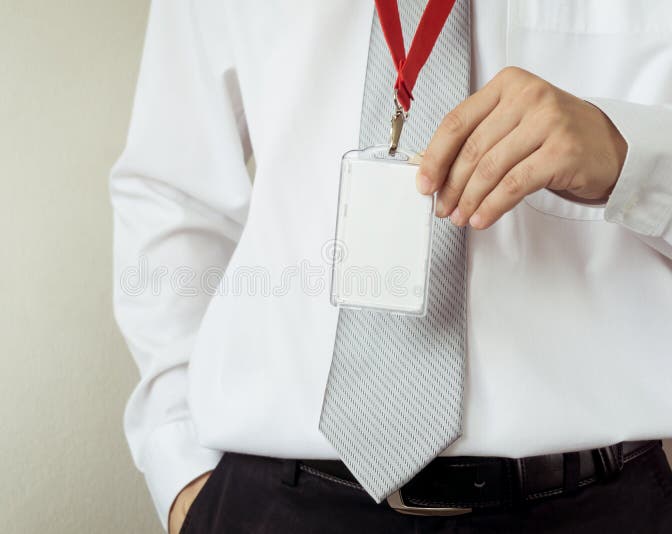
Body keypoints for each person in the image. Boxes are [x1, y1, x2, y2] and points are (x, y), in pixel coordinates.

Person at [110, 1, 672, 532]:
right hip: (271, 502)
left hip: (596, 504)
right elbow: (172, 191)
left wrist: (629, 156)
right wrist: (182, 472)